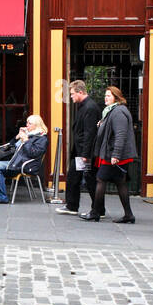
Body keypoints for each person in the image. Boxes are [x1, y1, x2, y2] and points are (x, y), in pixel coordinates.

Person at [80, 86, 137, 223]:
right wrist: (103, 124)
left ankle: (95, 212)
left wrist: (116, 155)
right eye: (105, 95)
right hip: (112, 153)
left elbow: (121, 135)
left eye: (109, 96)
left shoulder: (118, 112)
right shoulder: (113, 111)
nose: (106, 98)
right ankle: (128, 215)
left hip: (113, 154)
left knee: (100, 180)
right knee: (120, 182)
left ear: (116, 98)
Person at [56, 80, 101, 215]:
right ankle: (73, 206)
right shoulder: (86, 106)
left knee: (89, 179)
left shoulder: (89, 108)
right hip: (81, 150)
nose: (71, 96)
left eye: (72, 94)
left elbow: (89, 133)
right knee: (75, 178)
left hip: (84, 152)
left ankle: (95, 208)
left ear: (80, 92)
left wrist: (85, 155)